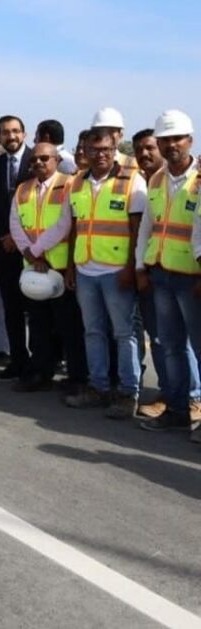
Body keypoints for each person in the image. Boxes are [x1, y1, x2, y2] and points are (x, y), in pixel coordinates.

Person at [63, 128, 146, 418]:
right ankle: (98, 387)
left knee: (124, 334)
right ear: (84, 151)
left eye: (106, 150)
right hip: (86, 269)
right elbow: (76, 227)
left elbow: (137, 230)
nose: (100, 155)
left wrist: (131, 268)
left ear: (115, 150)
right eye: (94, 150)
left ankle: (128, 392)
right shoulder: (77, 182)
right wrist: (71, 267)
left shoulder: (132, 181)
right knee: (93, 332)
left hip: (116, 271)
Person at [137, 111, 201, 434]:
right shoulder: (157, 179)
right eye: (165, 139)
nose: (171, 144)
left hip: (193, 278)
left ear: (190, 140)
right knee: (170, 346)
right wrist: (140, 266)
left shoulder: (199, 179)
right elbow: (147, 227)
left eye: (177, 138)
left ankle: (196, 406)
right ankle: (177, 410)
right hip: (162, 274)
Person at [9, 143, 85, 392]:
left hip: (60, 268)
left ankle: (76, 378)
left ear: (56, 160)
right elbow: (15, 224)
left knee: (69, 326)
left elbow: (65, 224)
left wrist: (36, 251)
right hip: (34, 269)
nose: (38, 163)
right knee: (38, 325)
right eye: (34, 159)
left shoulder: (70, 184)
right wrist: (31, 255)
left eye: (44, 158)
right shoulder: (23, 188)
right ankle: (40, 373)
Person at [131, 126, 179, 419]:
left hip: (176, 272)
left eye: (150, 147)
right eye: (139, 149)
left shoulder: (176, 182)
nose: (144, 153)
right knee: (158, 336)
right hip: (149, 271)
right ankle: (171, 393)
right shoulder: (143, 182)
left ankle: (177, 396)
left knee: (169, 339)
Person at [0, 115, 32, 381]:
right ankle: (18, 360)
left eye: (15, 131)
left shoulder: (38, 161)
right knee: (11, 309)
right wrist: (3, 235)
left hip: (34, 249)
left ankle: (40, 364)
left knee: (36, 311)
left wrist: (20, 237)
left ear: (24, 134)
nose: (11, 136)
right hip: (4, 247)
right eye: (5, 132)